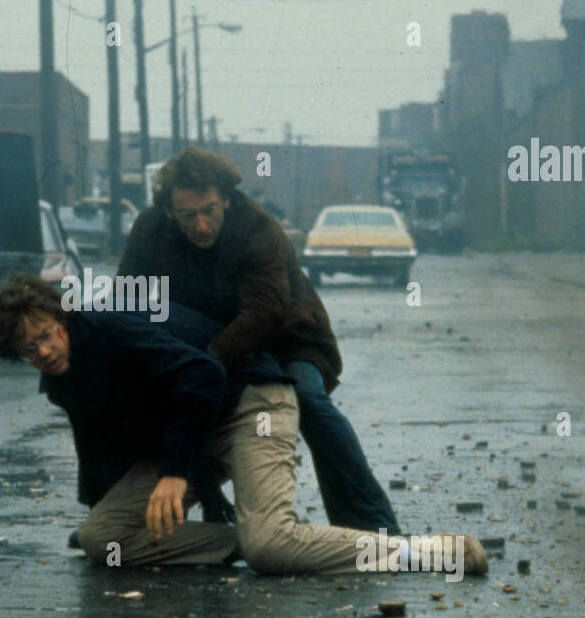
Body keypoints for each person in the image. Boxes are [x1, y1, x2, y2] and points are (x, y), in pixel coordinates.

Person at [0, 274, 485, 577]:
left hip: (252, 405)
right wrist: (104, 507)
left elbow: (203, 374)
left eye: (45, 335)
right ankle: (262, 542)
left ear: (62, 321)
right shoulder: (62, 381)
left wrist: (177, 475)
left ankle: (426, 553)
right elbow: (95, 447)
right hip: (194, 432)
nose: (42, 352)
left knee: (271, 546)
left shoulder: (113, 327)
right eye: (27, 350)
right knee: (102, 539)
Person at [119, 147, 401, 535]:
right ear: (169, 210)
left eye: (210, 210)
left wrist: (206, 364)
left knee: (308, 400)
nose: (201, 225)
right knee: (147, 393)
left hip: (286, 337)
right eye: (188, 214)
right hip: (200, 340)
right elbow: (128, 301)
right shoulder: (149, 230)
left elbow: (264, 312)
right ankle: (153, 509)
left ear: (227, 199)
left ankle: (373, 524)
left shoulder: (258, 228)